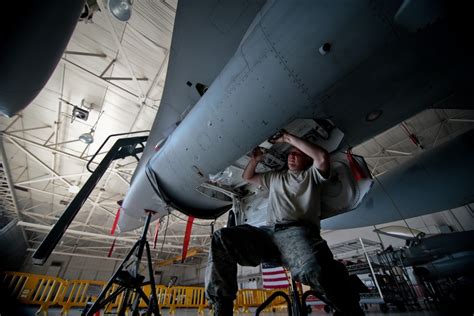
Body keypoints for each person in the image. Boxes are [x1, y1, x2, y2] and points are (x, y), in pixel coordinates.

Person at [205, 131, 364, 315]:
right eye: (291, 153)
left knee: (315, 268)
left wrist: (287, 138)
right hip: (269, 233)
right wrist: (255, 159)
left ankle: (349, 308)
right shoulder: (275, 177)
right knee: (222, 238)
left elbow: (321, 157)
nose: (292, 156)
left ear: (307, 161)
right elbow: (248, 177)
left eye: (298, 154)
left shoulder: (312, 176)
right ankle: (222, 308)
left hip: (297, 232)